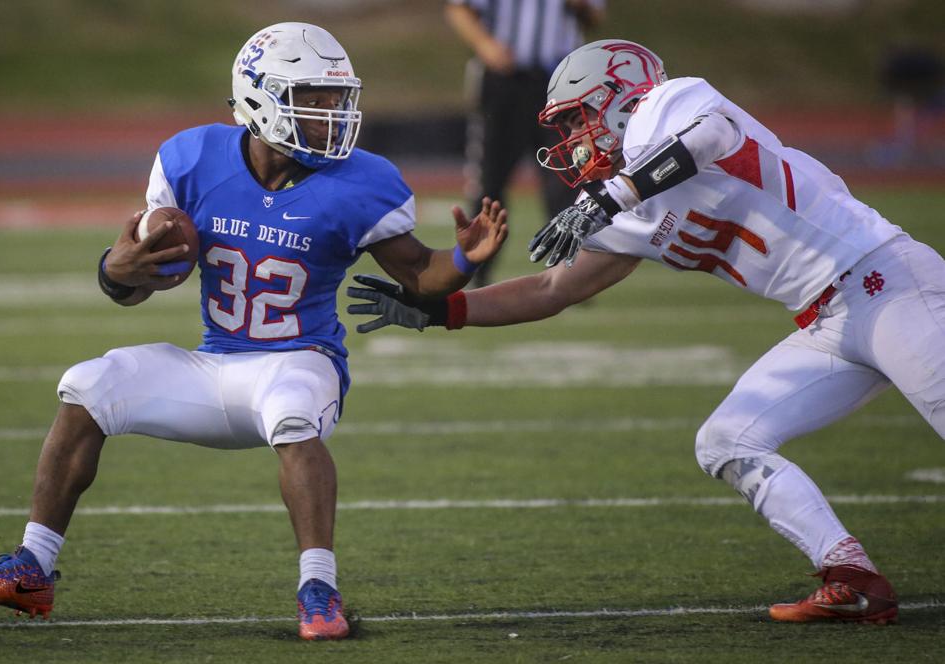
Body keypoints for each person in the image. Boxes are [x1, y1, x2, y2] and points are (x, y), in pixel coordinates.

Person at [348, 38, 945, 625]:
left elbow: (711, 137)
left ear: (617, 98)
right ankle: (851, 575)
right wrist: (443, 311)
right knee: (726, 441)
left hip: (886, 282)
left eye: (577, 119)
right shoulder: (622, 203)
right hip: (828, 319)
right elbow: (554, 289)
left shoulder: (669, 105)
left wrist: (612, 197)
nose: (572, 140)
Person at [0, 22, 507, 641]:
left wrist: (464, 259)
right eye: (313, 99)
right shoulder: (191, 159)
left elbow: (420, 274)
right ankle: (33, 566)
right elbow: (132, 286)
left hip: (301, 358)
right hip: (214, 363)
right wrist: (115, 270)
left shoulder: (362, 181)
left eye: (336, 98)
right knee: (87, 385)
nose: (331, 114)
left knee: (293, 411)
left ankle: (318, 590)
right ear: (260, 100)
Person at [445, 0, 604, 286]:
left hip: (561, 81)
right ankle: (477, 269)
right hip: (504, 79)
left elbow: (594, 15)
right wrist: (486, 45)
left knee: (569, 177)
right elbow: (459, 8)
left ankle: (574, 270)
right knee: (489, 181)